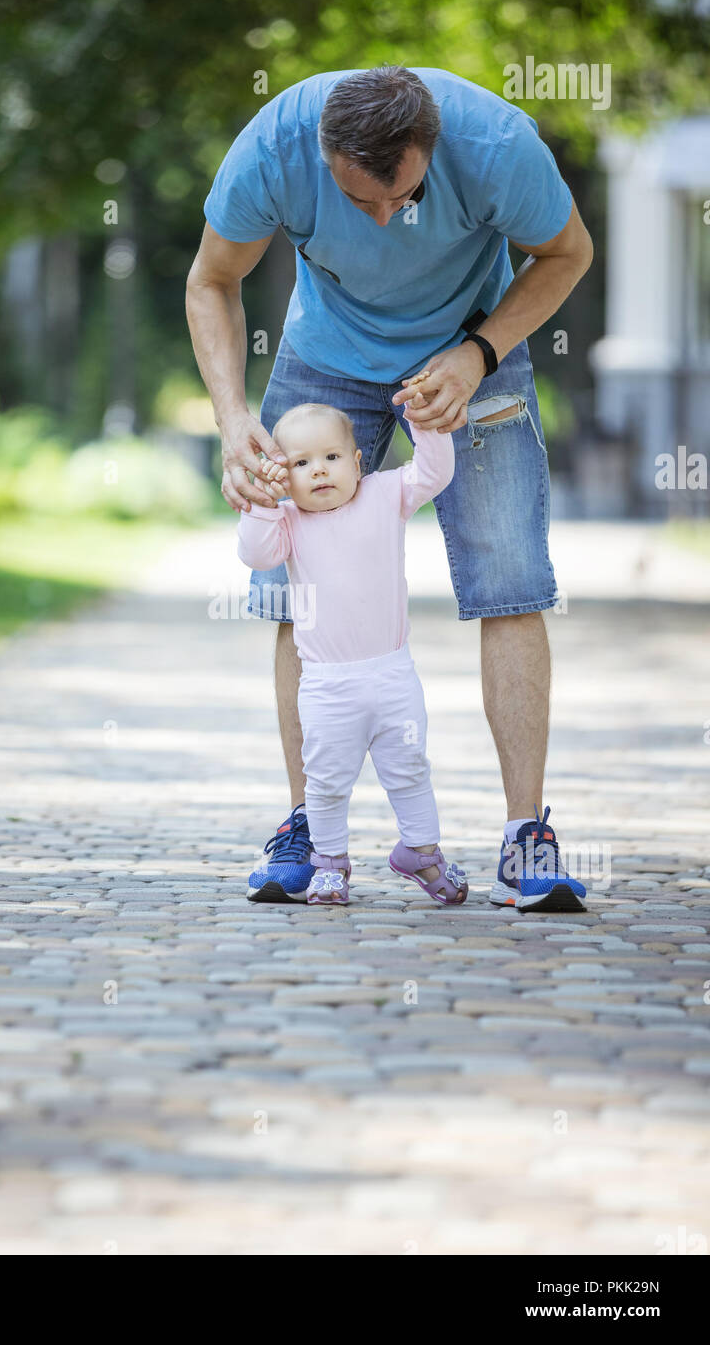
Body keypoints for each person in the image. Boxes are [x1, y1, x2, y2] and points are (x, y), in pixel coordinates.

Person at [186, 64, 592, 913]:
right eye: (354, 197)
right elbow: (211, 281)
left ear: (429, 151)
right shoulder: (273, 148)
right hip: (324, 361)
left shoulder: (495, 146)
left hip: (470, 350)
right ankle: (306, 826)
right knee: (291, 595)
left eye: (396, 197)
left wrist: (478, 352)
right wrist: (232, 423)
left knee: (510, 580)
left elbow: (569, 252)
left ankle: (527, 835)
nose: (378, 218)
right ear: (322, 154)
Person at [236, 399, 467, 907]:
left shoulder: (384, 495)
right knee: (325, 781)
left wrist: (423, 422)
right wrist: (263, 502)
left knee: (409, 767)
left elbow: (435, 472)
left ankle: (422, 851)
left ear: (359, 462)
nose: (318, 469)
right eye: (300, 463)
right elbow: (255, 554)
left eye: (332, 457)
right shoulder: (289, 520)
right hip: (326, 683)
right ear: (286, 476)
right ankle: (330, 865)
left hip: (392, 673)